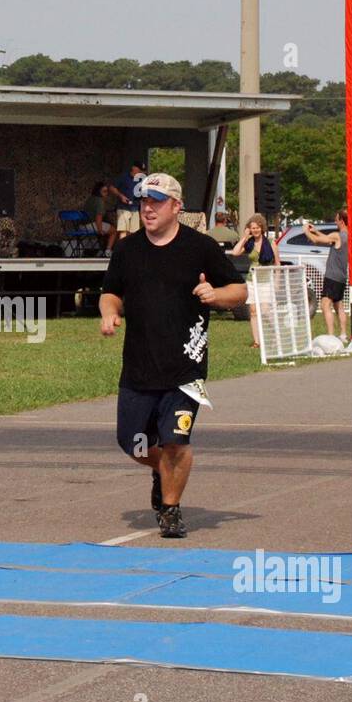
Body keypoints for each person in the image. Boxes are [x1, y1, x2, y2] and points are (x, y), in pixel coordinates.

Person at [99, 173, 247, 538]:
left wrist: (216, 296)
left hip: (186, 370)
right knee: (131, 441)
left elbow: (239, 291)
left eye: (156, 201)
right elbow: (110, 293)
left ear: (177, 207)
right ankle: (160, 469)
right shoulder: (127, 250)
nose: (147, 208)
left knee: (176, 442)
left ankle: (170, 509)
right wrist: (109, 312)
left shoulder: (201, 247)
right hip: (138, 367)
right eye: (143, 202)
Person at [230, 213, 281, 348]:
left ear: (262, 228)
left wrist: (277, 281)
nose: (255, 230)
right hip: (252, 280)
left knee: (265, 310)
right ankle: (257, 342)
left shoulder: (271, 243)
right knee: (253, 311)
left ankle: (276, 334)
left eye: (257, 227)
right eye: (252, 228)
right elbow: (235, 252)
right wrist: (245, 237)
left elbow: (277, 263)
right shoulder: (249, 243)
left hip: (266, 280)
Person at [303, 210, 350, 342]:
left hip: (332, 276)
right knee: (338, 305)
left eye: (336, 219)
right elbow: (328, 239)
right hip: (341, 276)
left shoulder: (338, 235)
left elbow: (316, 240)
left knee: (325, 305)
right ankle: (343, 334)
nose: (335, 222)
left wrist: (306, 230)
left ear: (341, 221)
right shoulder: (349, 235)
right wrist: (316, 230)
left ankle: (330, 335)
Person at [112, 161, 147, 240]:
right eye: (139, 170)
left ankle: (132, 251)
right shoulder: (123, 177)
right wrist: (121, 196)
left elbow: (143, 193)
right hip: (123, 208)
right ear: (134, 168)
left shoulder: (141, 179)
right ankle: (122, 251)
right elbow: (112, 187)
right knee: (123, 231)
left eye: (142, 171)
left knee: (134, 232)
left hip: (135, 208)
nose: (141, 172)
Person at [83, 181, 116, 251]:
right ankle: (108, 250)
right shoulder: (99, 201)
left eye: (107, 192)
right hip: (92, 225)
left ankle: (101, 250)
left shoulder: (90, 199)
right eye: (104, 191)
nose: (106, 194)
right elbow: (99, 217)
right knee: (114, 231)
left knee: (106, 228)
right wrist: (100, 230)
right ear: (98, 192)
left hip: (83, 226)